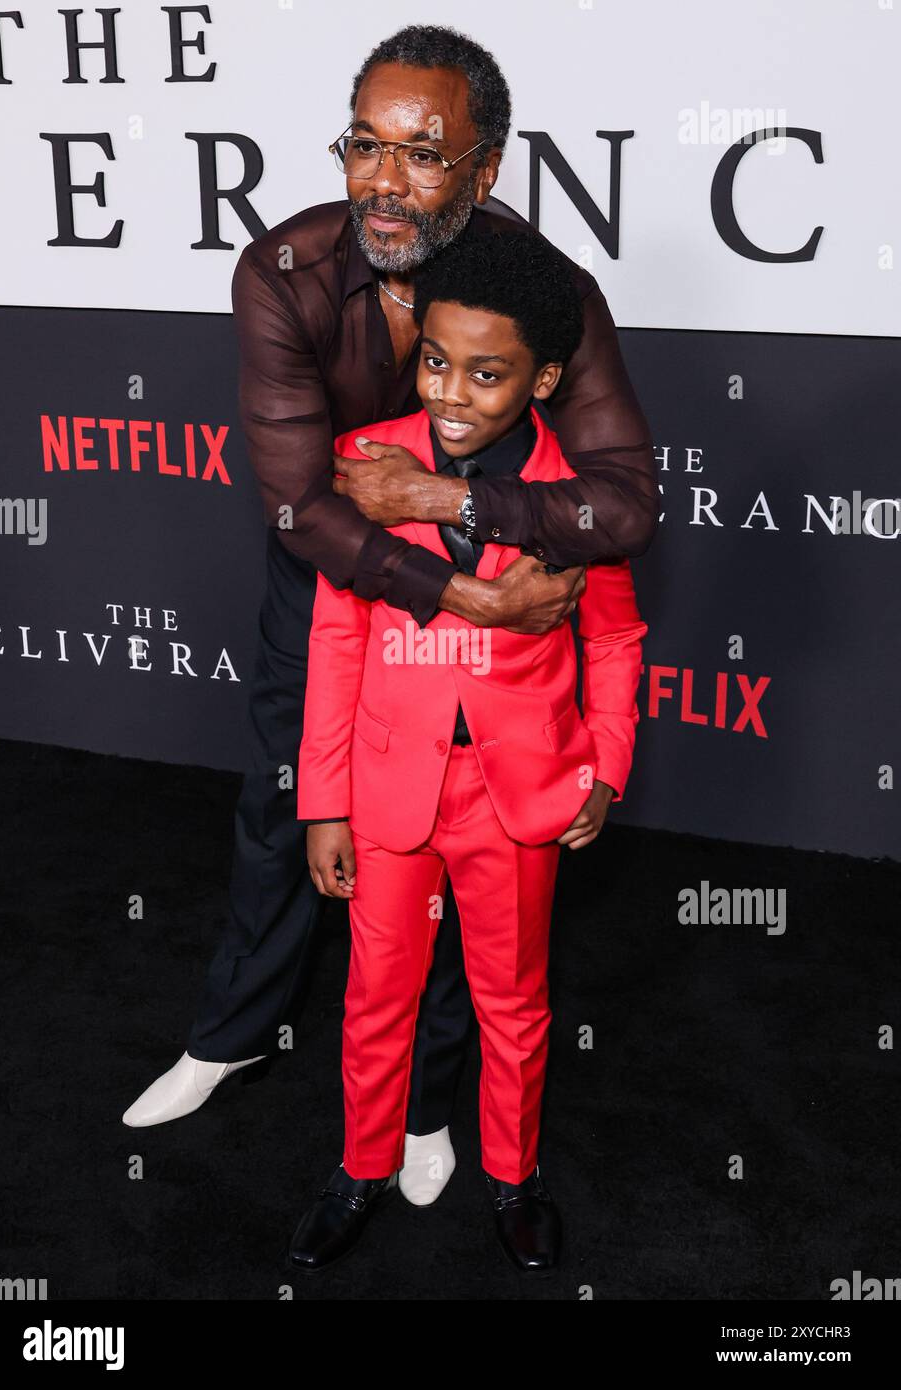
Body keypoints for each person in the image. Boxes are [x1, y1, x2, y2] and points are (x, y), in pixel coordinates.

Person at [123, 24, 657, 1208]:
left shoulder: (549, 293)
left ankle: (430, 1103)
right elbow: (299, 505)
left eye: (423, 155)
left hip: (500, 583)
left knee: (473, 871)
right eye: (364, 143)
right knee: (288, 808)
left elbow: (623, 501)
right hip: (336, 577)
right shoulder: (281, 272)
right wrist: (449, 580)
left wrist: (455, 505)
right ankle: (234, 1032)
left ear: (486, 167)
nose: (382, 178)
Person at [288, 230, 648, 1272]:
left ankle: (514, 1176)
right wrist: (322, 799)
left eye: (486, 374)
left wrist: (606, 762)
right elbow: (337, 635)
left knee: (514, 1001)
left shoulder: (572, 492)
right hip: (388, 785)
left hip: (520, 792)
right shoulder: (367, 460)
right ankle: (359, 1168)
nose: (451, 393)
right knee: (373, 995)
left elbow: (617, 635)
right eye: (435, 361)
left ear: (539, 378)